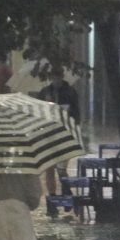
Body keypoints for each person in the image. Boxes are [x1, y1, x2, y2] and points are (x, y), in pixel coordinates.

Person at [37, 67, 80, 218]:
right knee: (49, 169)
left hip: (64, 133)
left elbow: (76, 114)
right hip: (48, 134)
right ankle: (52, 201)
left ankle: (66, 192)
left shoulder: (70, 92)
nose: (56, 79)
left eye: (58, 76)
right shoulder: (45, 92)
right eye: (53, 76)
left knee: (61, 167)